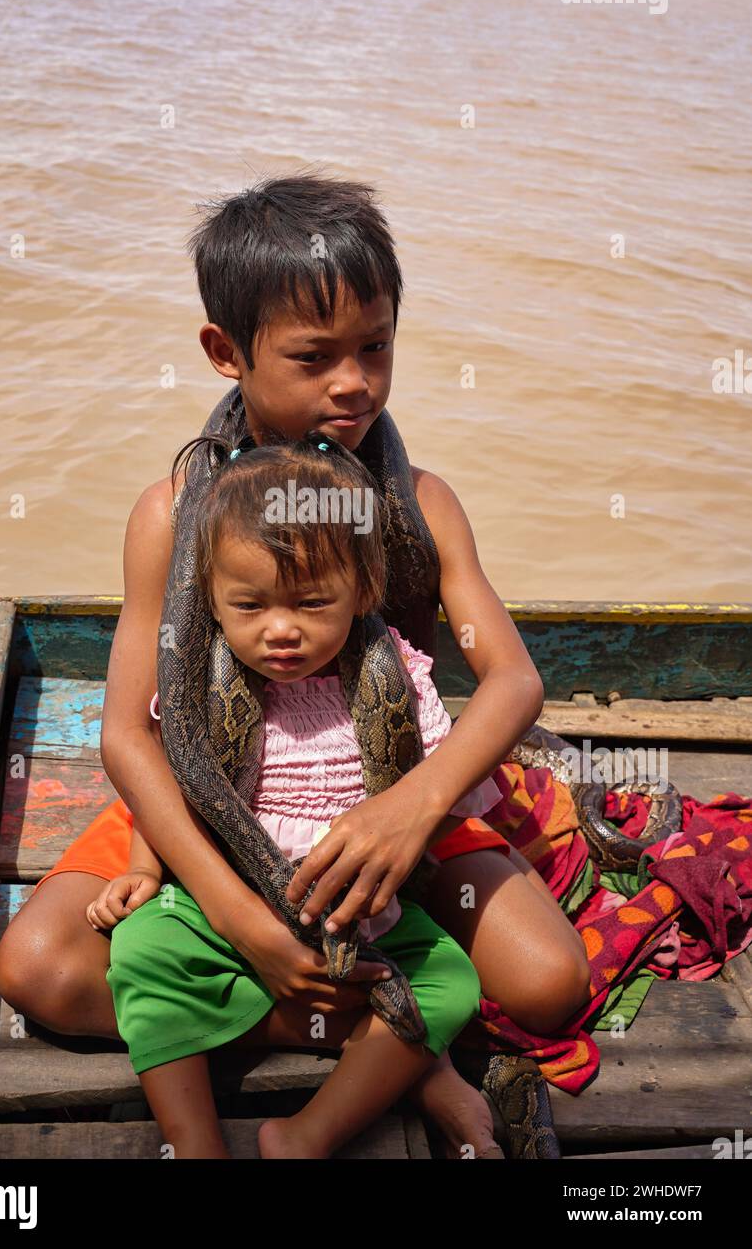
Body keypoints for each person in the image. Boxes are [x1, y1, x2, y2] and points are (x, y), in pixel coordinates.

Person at [0, 171, 590, 1155]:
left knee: (547, 980)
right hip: (215, 783)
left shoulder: (419, 506)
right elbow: (127, 734)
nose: (352, 381)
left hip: (383, 784)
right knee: (35, 970)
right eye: (313, 357)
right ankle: (385, 1032)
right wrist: (243, 919)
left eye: (374, 346)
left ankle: (332, 1013)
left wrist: (407, 810)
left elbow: (512, 681)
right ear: (225, 352)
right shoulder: (170, 515)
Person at [105, 429, 503, 1158]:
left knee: (451, 982)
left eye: (312, 602)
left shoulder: (401, 677)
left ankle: (307, 1135)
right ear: (211, 605)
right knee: (140, 952)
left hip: (364, 919)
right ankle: (194, 1140)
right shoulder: (196, 683)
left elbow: (446, 786)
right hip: (222, 904)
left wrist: (417, 835)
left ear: (365, 592)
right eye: (250, 606)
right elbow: (175, 778)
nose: (281, 630)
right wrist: (142, 869)